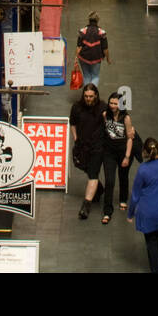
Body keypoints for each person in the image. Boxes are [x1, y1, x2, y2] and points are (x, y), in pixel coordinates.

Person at [127, 137, 158, 273]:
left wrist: (130, 213)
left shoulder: (143, 170)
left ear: (144, 152)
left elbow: (135, 195)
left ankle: (155, 270)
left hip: (149, 214)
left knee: (152, 243)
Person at [69, 84, 107, 220]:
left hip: (97, 147)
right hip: (82, 145)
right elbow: (72, 123)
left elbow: (110, 122)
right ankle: (99, 188)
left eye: (91, 96)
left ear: (95, 95)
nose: (88, 99)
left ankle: (86, 206)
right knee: (85, 168)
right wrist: (75, 138)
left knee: (93, 174)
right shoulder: (76, 107)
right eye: (86, 96)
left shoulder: (102, 107)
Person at [100, 92, 135, 221]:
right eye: (111, 103)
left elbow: (130, 138)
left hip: (123, 151)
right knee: (109, 180)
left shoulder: (126, 118)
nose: (113, 106)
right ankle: (107, 211)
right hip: (109, 153)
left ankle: (123, 198)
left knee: (123, 175)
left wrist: (127, 156)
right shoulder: (105, 115)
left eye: (115, 103)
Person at [75, 13, 109, 87]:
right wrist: (108, 59)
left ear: (88, 20)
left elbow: (79, 47)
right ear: (98, 20)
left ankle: (86, 92)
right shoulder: (102, 32)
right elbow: (105, 48)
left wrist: (76, 58)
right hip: (96, 58)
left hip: (83, 58)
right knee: (95, 76)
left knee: (86, 75)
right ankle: (92, 93)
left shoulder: (82, 31)